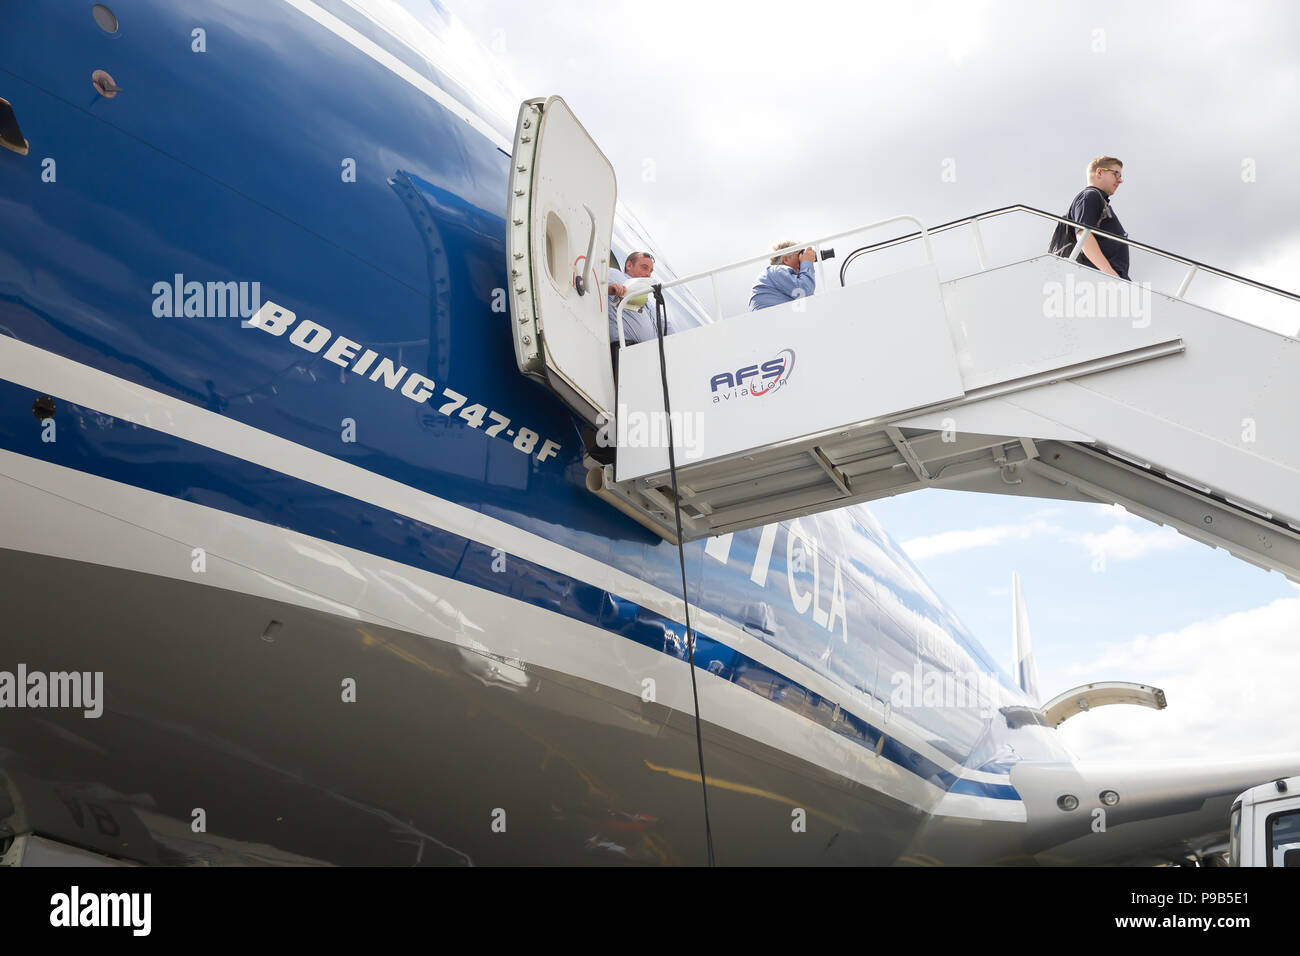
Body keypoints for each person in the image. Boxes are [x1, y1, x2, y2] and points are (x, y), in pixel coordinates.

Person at [1061, 157, 1130, 279]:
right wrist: (1112, 275)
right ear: (1099, 172)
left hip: (1101, 278)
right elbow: (1083, 235)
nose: (1120, 180)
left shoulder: (1098, 200)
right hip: (1096, 277)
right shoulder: (1090, 196)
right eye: (1116, 174)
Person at [607, 251, 673, 346]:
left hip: (648, 353)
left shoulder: (647, 302)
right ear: (629, 265)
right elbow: (595, 286)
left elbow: (663, 324)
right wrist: (610, 289)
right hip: (624, 347)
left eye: (650, 271)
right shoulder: (614, 274)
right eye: (644, 267)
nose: (648, 274)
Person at [749, 241, 817, 311]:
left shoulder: (771, 276)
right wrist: (807, 262)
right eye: (799, 254)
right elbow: (804, 291)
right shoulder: (777, 270)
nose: (802, 258)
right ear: (786, 259)